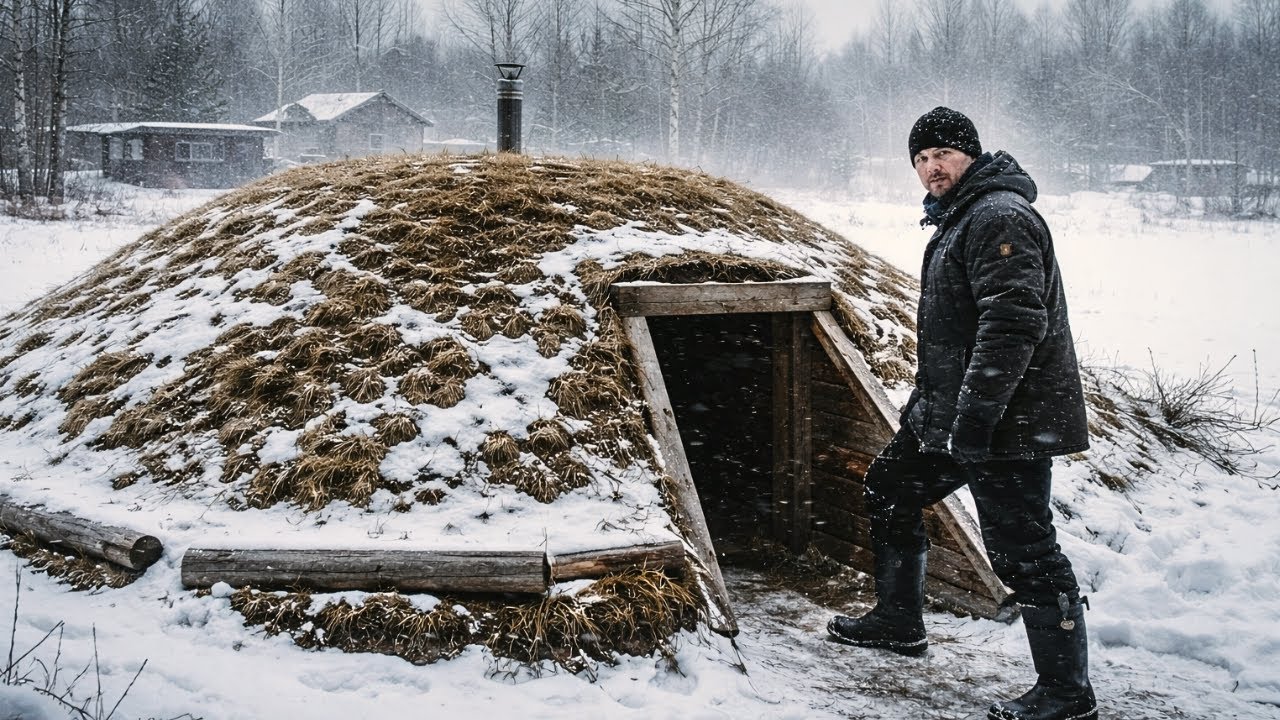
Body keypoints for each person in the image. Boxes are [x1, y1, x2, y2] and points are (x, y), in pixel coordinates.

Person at [826, 107, 1097, 720]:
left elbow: (1013, 323)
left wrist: (975, 417)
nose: (930, 168)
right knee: (891, 487)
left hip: (1008, 421)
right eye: (920, 159)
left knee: (1025, 550)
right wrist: (930, 408)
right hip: (953, 416)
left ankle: (1067, 693)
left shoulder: (999, 215)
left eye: (941, 155)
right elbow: (955, 332)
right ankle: (900, 621)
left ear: (970, 155)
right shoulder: (960, 219)